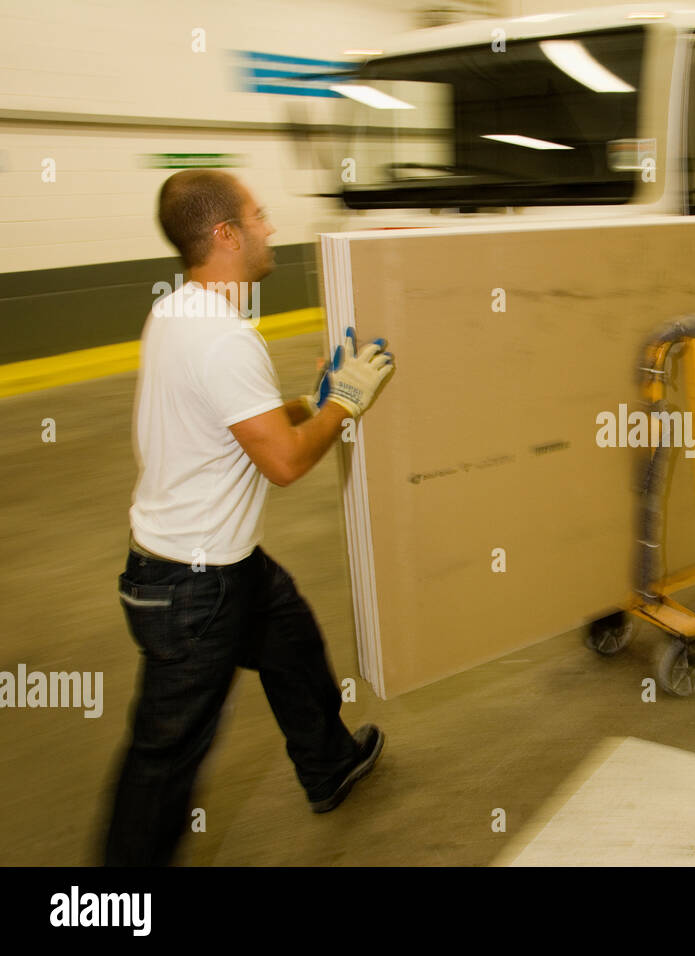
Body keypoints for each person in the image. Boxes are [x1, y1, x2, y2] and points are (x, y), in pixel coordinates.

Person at [105, 170, 395, 865]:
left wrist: (311, 398)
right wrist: (346, 406)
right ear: (226, 234)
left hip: (217, 563)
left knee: (291, 640)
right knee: (164, 760)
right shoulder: (225, 338)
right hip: (191, 584)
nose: (270, 227)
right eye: (258, 216)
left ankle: (328, 764)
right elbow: (287, 463)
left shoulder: (179, 311)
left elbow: (241, 425)